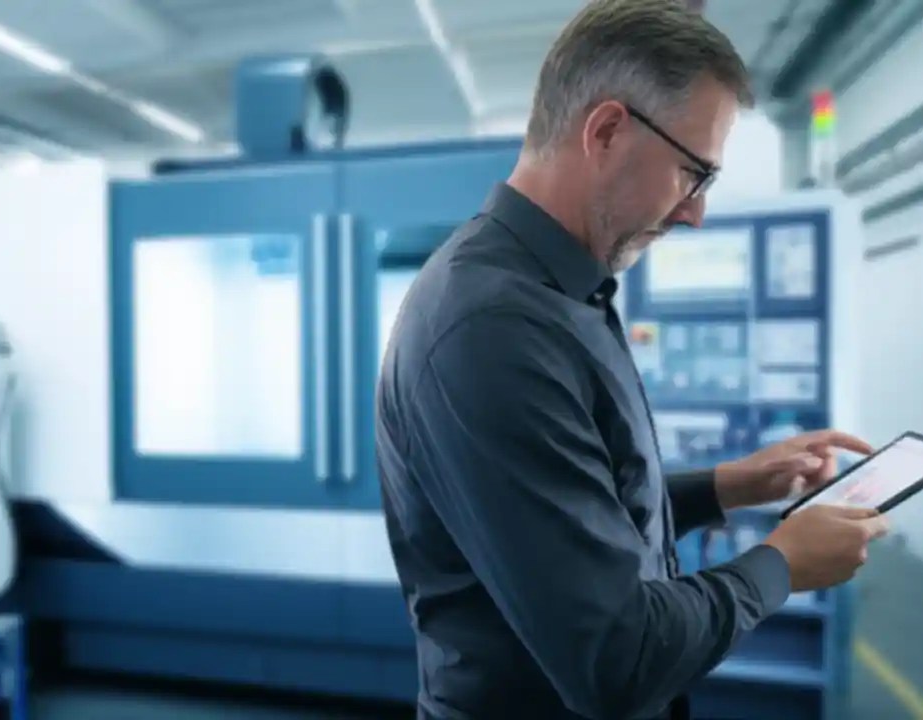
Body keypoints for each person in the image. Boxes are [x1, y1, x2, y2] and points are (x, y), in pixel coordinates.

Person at [373, 1, 891, 719]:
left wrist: (730, 484)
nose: (695, 212)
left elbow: (573, 513)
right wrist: (781, 564)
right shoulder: (491, 328)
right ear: (608, 131)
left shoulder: (561, 289)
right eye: (693, 173)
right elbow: (616, 658)